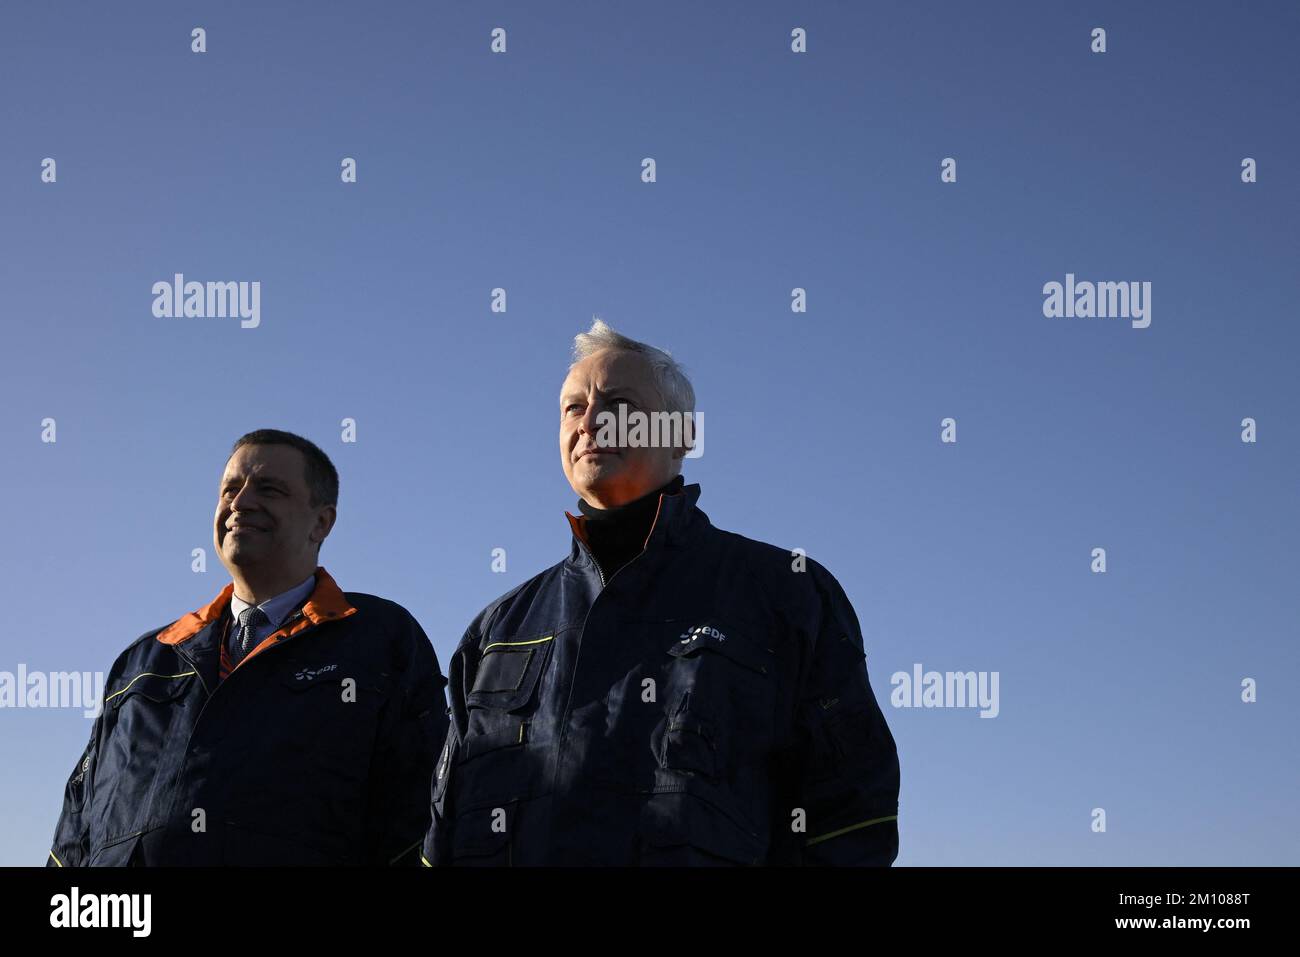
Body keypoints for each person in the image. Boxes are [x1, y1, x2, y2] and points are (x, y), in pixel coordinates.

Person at [422, 321, 899, 865]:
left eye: (619, 404)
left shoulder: (785, 593)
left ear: (681, 435)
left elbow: (852, 817)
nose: (591, 422)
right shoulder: (497, 631)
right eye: (573, 408)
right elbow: (441, 836)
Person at [47, 429, 448, 865]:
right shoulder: (145, 660)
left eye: (269, 489)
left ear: (321, 522)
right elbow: (75, 830)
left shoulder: (381, 640)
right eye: (230, 489)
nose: (240, 503)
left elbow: (420, 817)